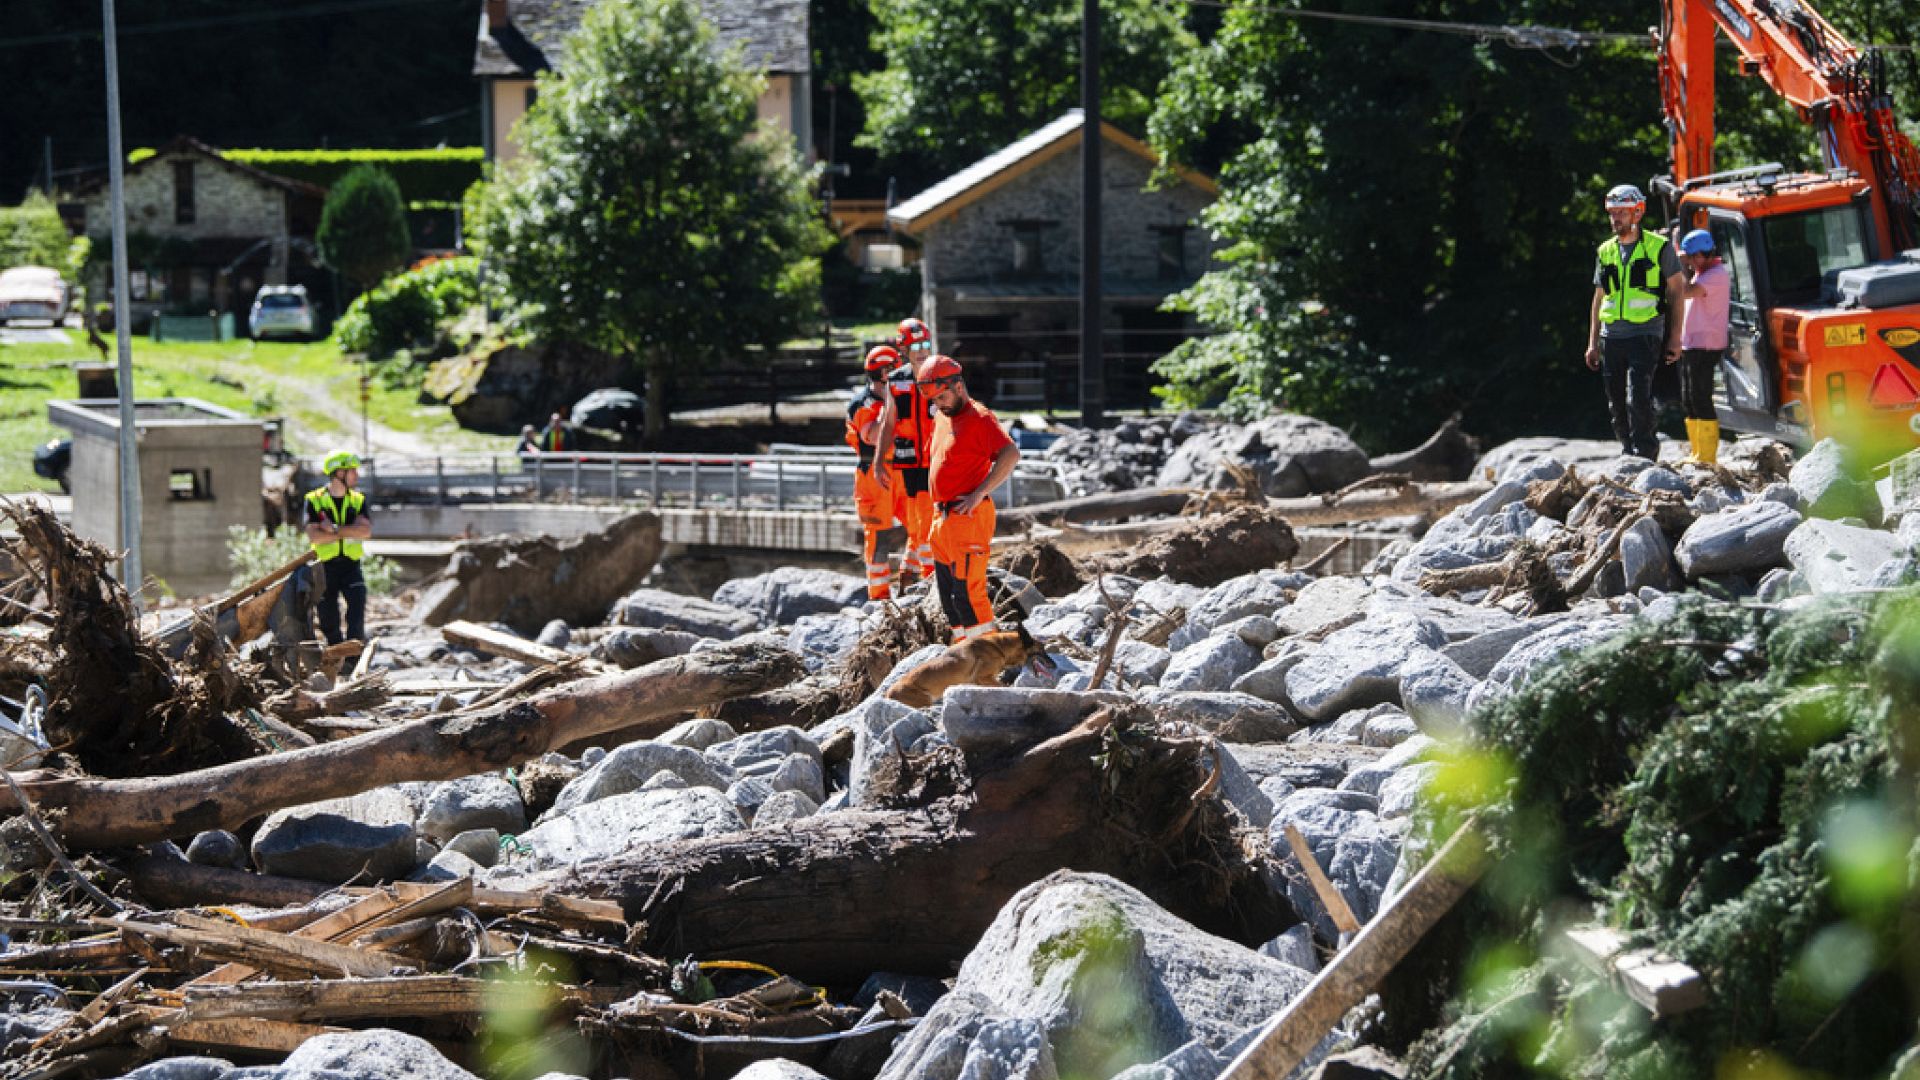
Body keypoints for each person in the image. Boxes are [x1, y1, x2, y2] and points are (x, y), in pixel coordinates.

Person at [917, 355, 1020, 643]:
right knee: (949, 597)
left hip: (968, 517)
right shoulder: (941, 416)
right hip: (942, 518)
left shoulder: (980, 418)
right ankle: (964, 655)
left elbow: (1010, 454)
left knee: (968, 594)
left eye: (943, 396)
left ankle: (990, 658)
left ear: (958, 385)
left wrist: (979, 493)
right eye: (934, 400)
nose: (940, 404)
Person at [1586, 183, 1683, 459]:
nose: (1615, 218)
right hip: (1611, 337)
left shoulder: (1659, 247)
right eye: (1612, 213)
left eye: (1621, 212)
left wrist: (1675, 337)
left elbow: (1677, 292)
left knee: (1638, 398)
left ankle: (1645, 453)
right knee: (1616, 404)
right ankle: (1627, 451)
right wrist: (1592, 342)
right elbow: (1599, 298)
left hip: (1646, 334)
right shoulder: (1605, 251)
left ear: (1637, 213)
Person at [847, 345, 907, 600]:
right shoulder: (863, 404)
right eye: (895, 367)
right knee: (879, 535)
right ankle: (879, 594)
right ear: (884, 373)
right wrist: (889, 411)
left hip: (902, 469)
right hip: (873, 473)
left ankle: (914, 576)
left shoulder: (899, 395)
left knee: (919, 523)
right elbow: (871, 436)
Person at [304, 449, 374, 645]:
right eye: (352, 470)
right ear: (339, 473)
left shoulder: (358, 499)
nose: (357, 475)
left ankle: (352, 654)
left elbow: (365, 532)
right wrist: (350, 529)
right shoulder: (314, 500)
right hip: (325, 566)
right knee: (328, 616)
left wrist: (333, 530)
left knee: (357, 607)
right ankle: (336, 651)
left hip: (351, 565)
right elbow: (314, 536)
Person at [1674, 227, 1729, 464]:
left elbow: (1685, 292)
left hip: (1706, 345)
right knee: (1689, 398)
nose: (1691, 262)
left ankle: (1707, 456)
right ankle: (1697, 452)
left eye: (1692, 257)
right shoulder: (1702, 273)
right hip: (1692, 344)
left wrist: (1680, 267)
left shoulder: (1716, 274)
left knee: (1701, 397)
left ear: (1702, 255)